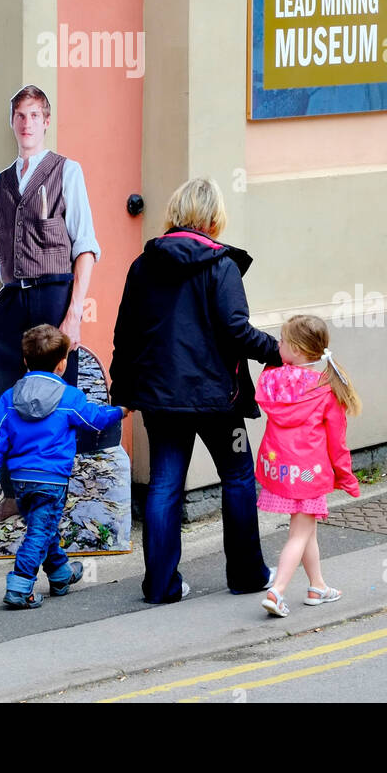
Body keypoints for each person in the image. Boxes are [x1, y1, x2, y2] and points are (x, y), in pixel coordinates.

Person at [109, 176, 282, 603]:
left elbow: (125, 334)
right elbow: (236, 331)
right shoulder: (220, 266)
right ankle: (246, 575)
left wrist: (124, 390)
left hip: (160, 396)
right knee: (238, 476)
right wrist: (279, 352)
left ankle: (161, 585)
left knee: (165, 484)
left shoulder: (142, 265)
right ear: (213, 217)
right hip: (216, 398)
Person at [0, 84, 102, 521]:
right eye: (20, 116)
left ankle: (58, 494)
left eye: (35, 115)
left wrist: (74, 313)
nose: (27, 124)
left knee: (57, 396)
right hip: (11, 299)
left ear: (46, 121)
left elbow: (85, 246)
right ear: (13, 122)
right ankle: (11, 496)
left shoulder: (68, 171)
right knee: (6, 393)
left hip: (53, 293)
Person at [0, 324, 129, 609]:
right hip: (51, 481)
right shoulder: (69, 399)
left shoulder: (10, 398)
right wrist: (120, 411)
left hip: (21, 482)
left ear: (25, 361)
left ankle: (61, 574)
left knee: (43, 525)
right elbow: (94, 419)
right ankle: (20, 585)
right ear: (62, 364)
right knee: (38, 532)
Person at [255, 313, 361, 618]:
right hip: (309, 473)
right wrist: (345, 477)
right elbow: (336, 442)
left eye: (283, 341)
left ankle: (317, 586)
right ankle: (277, 592)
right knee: (299, 534)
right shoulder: (325, 388)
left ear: (298, 350)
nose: (278, 346)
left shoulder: (274, 381)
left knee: (306, 529)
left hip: (283, 470)